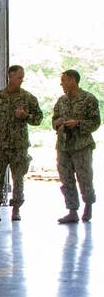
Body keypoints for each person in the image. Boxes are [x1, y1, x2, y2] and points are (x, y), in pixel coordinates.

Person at [0, 65, 42, 223]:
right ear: (10, 76)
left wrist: (25, 115)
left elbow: (38, 119)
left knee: (18, 179)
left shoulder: (28, 98)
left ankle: (16, 209)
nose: (21, 80)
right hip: (0, 145)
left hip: (19, 146)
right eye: (19, 77)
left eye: (22, 77)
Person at [50, 69, 100, 224]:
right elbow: (54, 120)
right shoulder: (61, 101)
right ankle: (72, 211)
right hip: (63, 146)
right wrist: (57, 123)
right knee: (66, 179)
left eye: (63, 80)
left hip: (82, 146)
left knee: (85, 177)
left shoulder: (88, 99)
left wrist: (78, 123)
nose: (61, 83)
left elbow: (96, 122)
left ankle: (88, 205)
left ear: (72, 80)